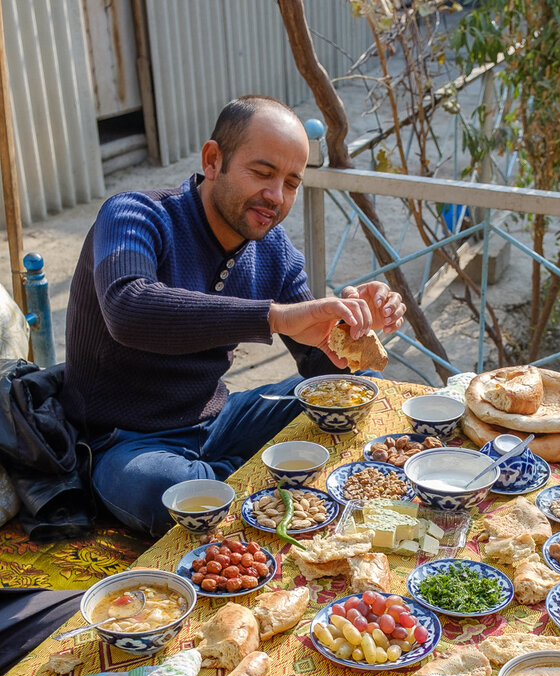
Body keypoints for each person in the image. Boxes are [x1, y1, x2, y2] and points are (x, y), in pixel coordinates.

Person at [61, 95, 406, 536]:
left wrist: (354, 329)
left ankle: (231, 479)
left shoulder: (274, 252)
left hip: (220, 421)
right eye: (262, 173)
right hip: (125, 442)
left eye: (292, 182)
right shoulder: (136, 214)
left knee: (356, 392)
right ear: (213, 159)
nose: (275, 197)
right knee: (165, 492)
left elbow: (322, 369)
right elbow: (128, 309)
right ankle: (256, 477)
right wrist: (275, 317)